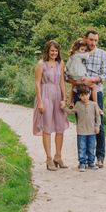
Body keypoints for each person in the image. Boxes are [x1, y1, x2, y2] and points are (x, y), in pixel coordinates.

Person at [66, 29, 106, 168]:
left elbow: (105, 75)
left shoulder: (102, 54)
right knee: (82, 126)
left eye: (96, 40)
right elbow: (66, 76)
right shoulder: (77, 53)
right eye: (91, 40)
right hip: (80, 92)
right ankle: (83, 159)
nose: (93, 43)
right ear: (85, 39)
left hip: (96, 90)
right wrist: (78, 82)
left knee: (98, 124)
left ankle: (100, 156)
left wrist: (92, 79)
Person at [32, 39, 69, 171]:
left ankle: (58, 156)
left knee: (60, 127)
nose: (54, 52)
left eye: (56, 50)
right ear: (47, 51)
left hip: (58, 95)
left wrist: (65, 98)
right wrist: (40, 101)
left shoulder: (61, 63)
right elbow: (37, 83)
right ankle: (48, 159)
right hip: (46, 95)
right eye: (52, 50)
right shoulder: (41, 64)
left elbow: (62, 82)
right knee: (47, 127)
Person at [66, 86, 101, 171]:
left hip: (92, 130)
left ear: (89, 94)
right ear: (79, 96)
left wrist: (97, 126)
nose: (84, 97)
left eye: (86, 95)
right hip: (81, 131)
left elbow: (98, 116)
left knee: (91, 147)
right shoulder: (78, 104)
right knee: (81, 147)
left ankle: (91, 163)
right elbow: (71, 112)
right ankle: (82, 163)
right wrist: (64, 108)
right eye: (82, 95)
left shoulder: (94, 104)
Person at [64, 38, 90, 106]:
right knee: (92, 87)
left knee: (74, 86)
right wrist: (90, 52)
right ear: (76, 48)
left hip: (73, 74)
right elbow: (87, 56)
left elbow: (67, 65)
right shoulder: (78, 54)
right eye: (82, 49)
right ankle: (92, 102)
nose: (83, 51)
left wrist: (68, 73)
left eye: (84, 50)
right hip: (79, 74)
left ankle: (71, 102)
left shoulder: (72, 55)